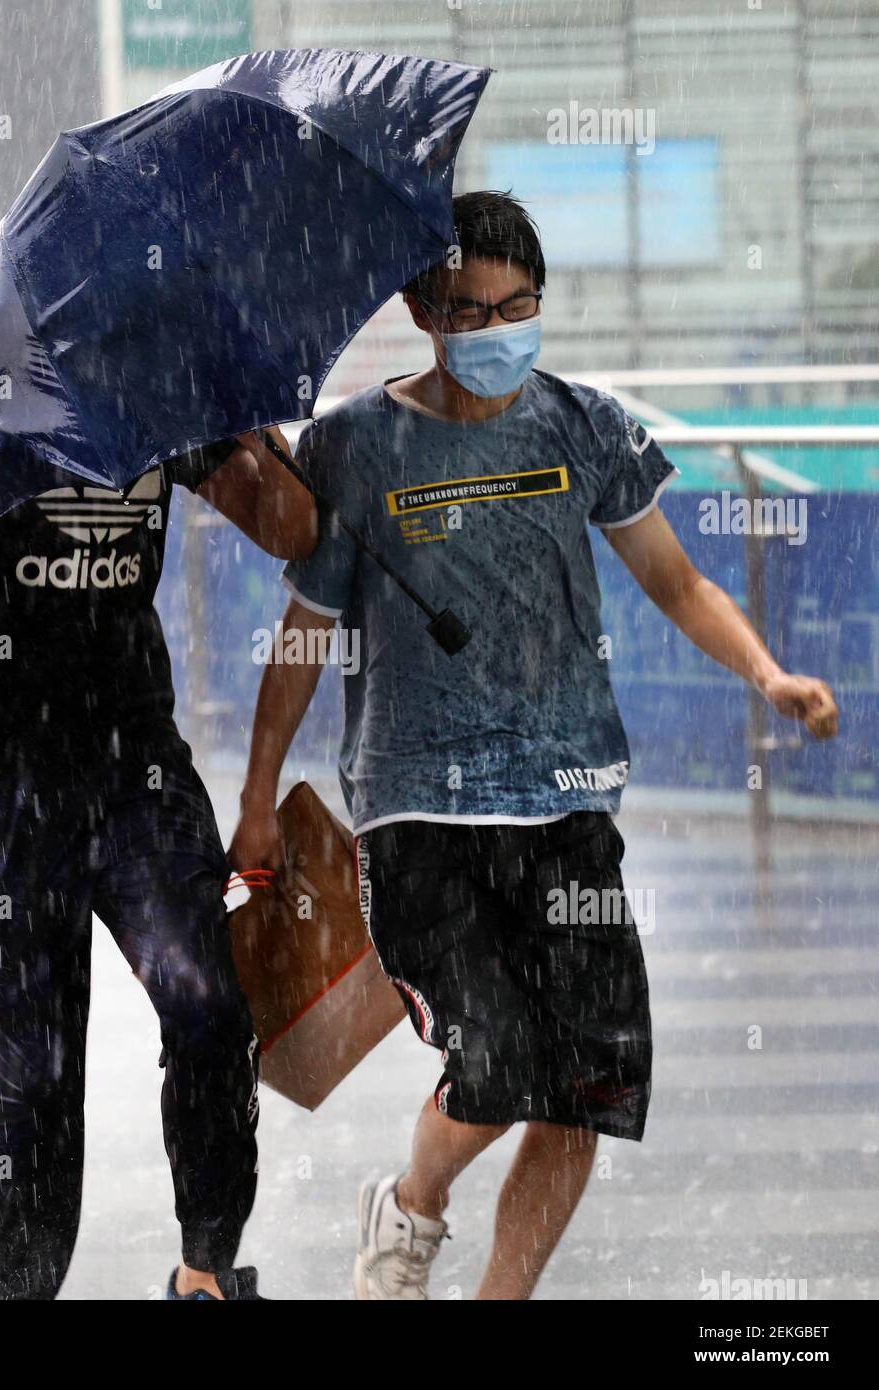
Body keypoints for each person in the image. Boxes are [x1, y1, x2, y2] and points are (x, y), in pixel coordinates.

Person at [228, 190, 839, 1301]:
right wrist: (260, 791)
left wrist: (766, 672)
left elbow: (677, 578)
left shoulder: (581, 423)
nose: (497, 329)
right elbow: (305, 629)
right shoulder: (351, 448)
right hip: (420, 815)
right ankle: (409, 1207)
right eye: (470, 309)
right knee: (500, 1063)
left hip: (566, 806)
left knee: (589, 1086)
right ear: (422, 308)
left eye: (519, 305)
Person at [0, 429, 315, 1300]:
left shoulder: (145, 380)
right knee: (31, 1083)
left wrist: (237, 417)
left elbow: (291, 529)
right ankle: (24, 1287)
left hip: (136, 766)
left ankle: (207, 1271)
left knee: (207, 1004)